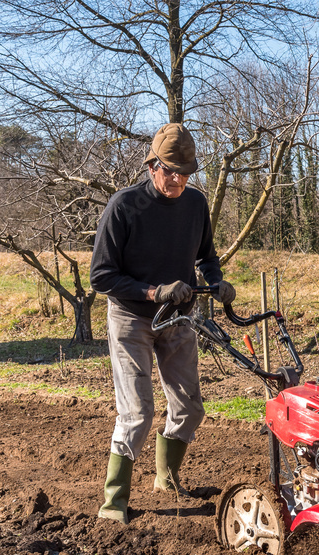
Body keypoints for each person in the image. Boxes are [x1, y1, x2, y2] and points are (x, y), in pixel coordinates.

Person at [90, 123, 236, 525]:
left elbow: (206, 256)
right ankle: (114, 500)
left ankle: (166, 478)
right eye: (170, 170)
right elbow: (101, 277)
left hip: (178, 316)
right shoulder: (124, 206)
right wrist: (154, 292)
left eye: (185, 173)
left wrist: (216, 281)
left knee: (189, 406)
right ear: (152, 164)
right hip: (131, 318)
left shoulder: (195, 204)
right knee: (137, 412)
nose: (177, 180)